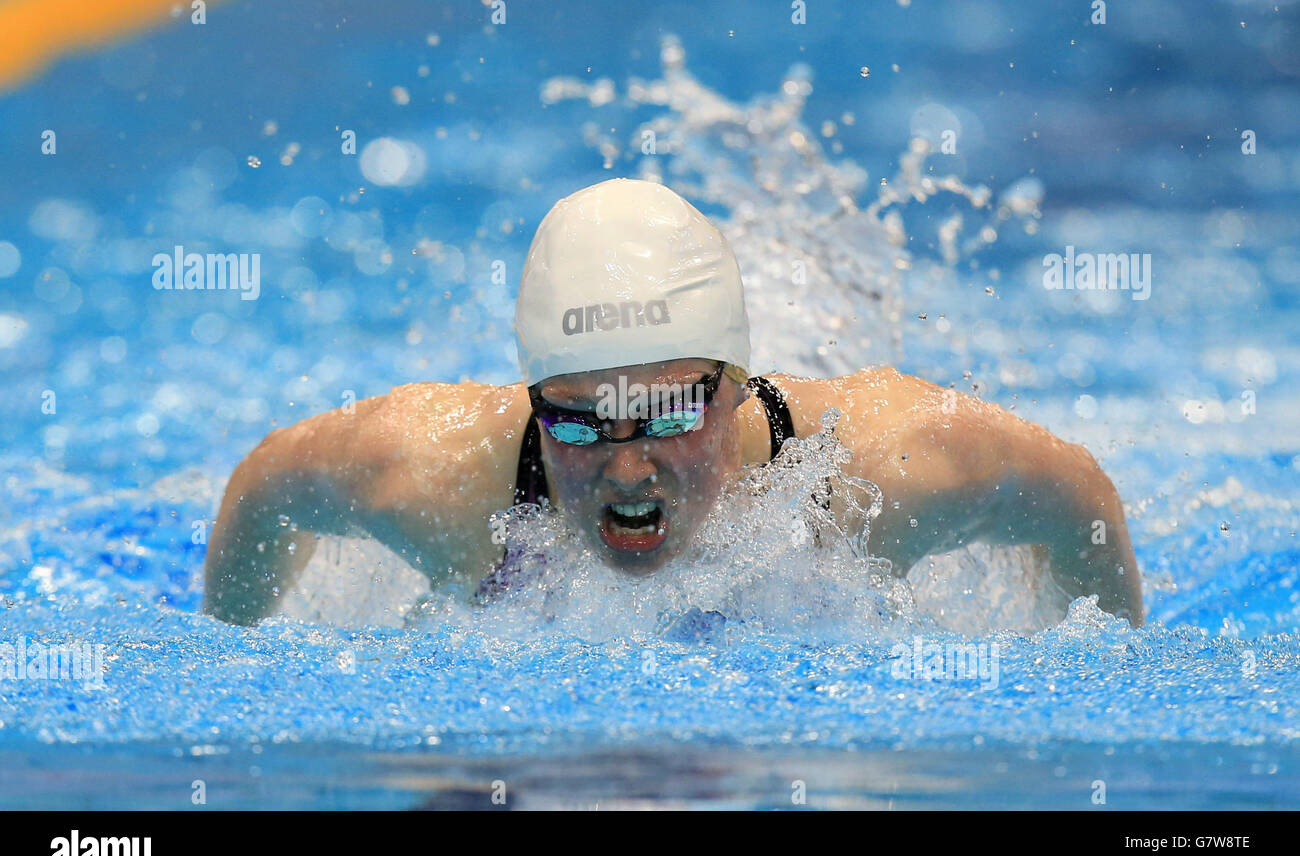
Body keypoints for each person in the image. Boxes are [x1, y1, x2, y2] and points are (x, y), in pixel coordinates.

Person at [203, 178, 1142, 626]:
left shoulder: (883, 472)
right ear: (533, 400)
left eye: (665, 415)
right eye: (577, 420)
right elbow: (263, 487)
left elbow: (1079, 501)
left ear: (734, 389)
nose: (625, 466)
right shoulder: (435, 476)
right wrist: (234, 656)